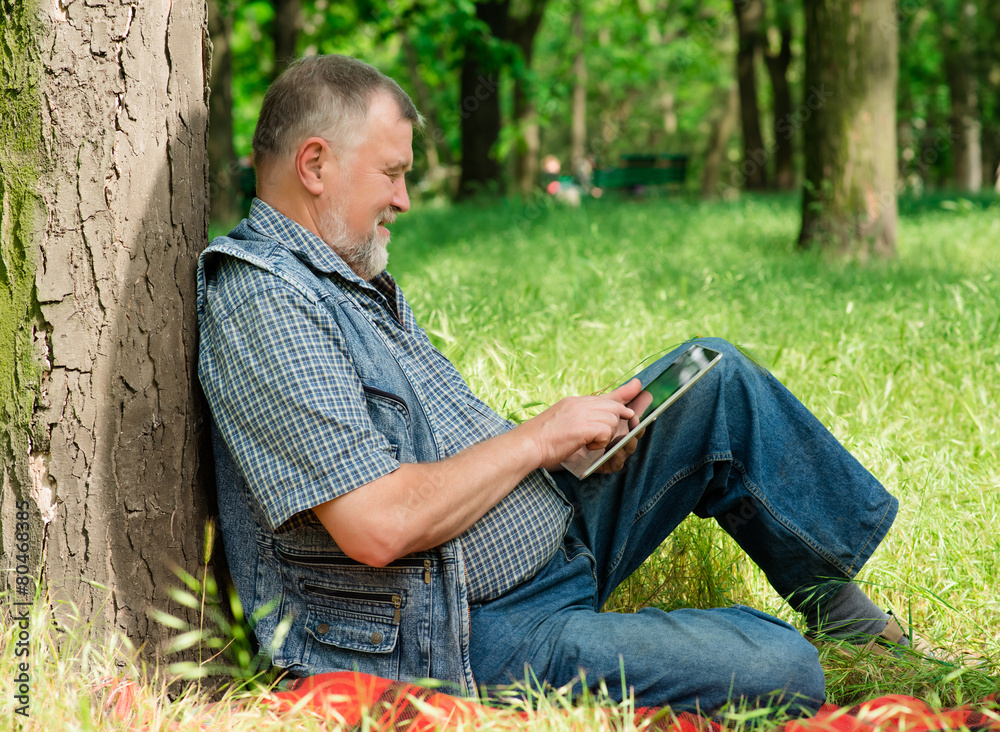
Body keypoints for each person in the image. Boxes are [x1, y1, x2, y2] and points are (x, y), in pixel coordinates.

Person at [197, 55, 907, 716]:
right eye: (392, 174)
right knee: (784, 668)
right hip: (474, 632)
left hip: (551, 535)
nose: (404, 199)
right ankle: (711, 644)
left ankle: (855, 627)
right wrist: (537, 438)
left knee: (712, 378)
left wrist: (565, 450)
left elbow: (445, 447)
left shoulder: (346, 276)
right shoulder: (264, 304)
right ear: (315, 164)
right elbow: (377, 526)